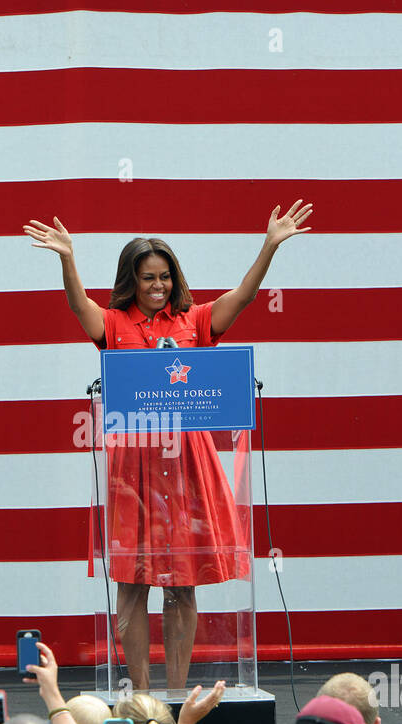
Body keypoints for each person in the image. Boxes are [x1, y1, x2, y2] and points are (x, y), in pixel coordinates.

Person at [25, 202, 313, 690]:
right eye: (147, 278)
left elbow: (241, 298)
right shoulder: (114, 325)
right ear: (131, 281)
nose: (157, 286)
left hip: (187, 464)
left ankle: (177, 694)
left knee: (182, 583)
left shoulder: (195, 321)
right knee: (133, 584)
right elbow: (80, 308)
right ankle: (141, 696)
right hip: (133, 464)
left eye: (164, 276)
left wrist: (269, 246)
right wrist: (67, 258)